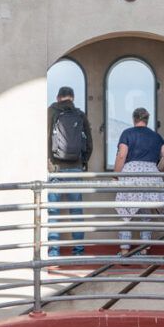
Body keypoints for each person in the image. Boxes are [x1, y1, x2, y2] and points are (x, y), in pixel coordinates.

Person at [114, 108, 164, 255]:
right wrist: (157, 170)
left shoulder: (127, 133)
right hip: (150, 175)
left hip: (131, 175)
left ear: (134, 119)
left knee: (125, 212)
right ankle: (144, 249)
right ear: (147, 120)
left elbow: (122, 155)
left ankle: (124, 250)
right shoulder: (155, 136)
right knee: (146, 213)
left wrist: (116, 176)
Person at [47, 86, 93, 257]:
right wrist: (82, 162)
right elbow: (89, 144)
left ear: (58, 97)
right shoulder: (80, 114)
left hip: (55, 168)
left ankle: (53, 251)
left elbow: (44, 139)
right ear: (72, 98)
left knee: (53, 211)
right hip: (75, 168)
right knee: (76, 210)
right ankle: (78, 251)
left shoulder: (50, 113)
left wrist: (49, 162)